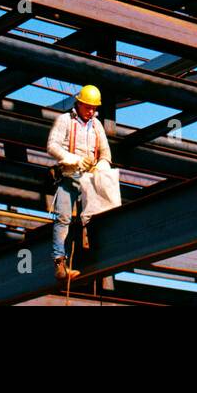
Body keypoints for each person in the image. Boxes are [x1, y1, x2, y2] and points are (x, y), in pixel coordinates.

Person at [45, 85, 111, 282]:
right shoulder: (65, 121)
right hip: (69, 176)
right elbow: (52, 146)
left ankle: (93, 255)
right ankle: (59, 262)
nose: (91, 111)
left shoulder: (97, 125)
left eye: (93, 107)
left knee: (91, 217)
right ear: (79, 103)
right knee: (63, 217)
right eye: (87, 107)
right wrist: (72, 158)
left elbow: (106, 153)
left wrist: (101, 165)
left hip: (90, 179)